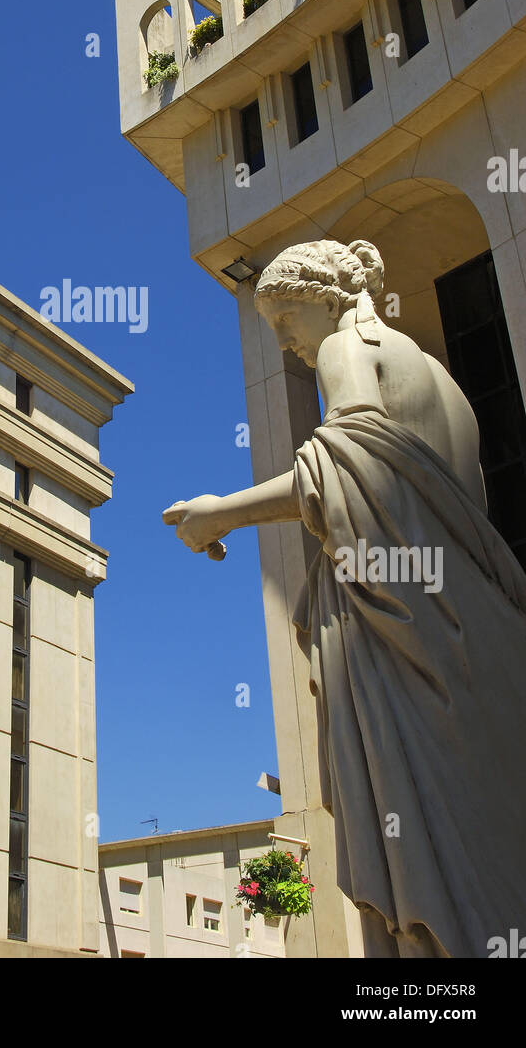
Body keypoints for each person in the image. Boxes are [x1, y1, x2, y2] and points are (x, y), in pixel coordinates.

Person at [164, 239, 526, 957]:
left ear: (327, 296)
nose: (287, 343)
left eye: (286, 318)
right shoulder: (437, 378)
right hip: (478, 637)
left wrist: (221, 511)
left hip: (411, 654)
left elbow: (344, 461)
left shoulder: (348, 345)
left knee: (432, 865)